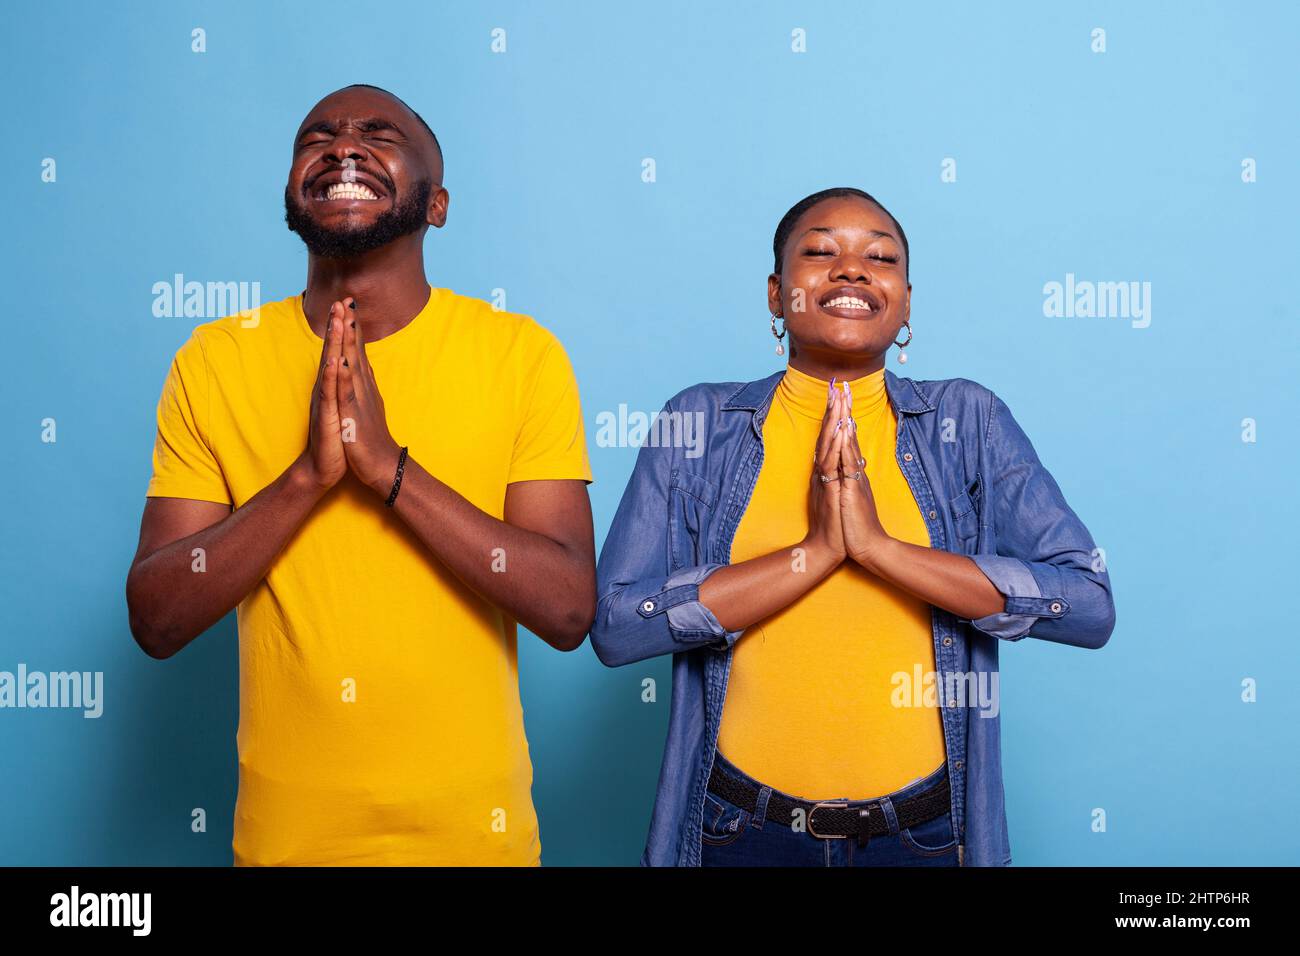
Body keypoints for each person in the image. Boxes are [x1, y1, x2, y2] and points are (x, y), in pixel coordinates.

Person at [126, 85, 596, 866]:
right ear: (290, 193)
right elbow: (158, 619)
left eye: (377, 135)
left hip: (477, 844)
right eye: (319, 137)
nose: (343, 147)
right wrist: (309, 477)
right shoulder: (214, 361)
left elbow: (568, 608)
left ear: (436, 204)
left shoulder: (521, 356)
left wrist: (389, 471)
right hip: (286, 846)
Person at [590, 187, 1116, 866]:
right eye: (819, 252)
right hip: (739, 832)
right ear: (778, 296)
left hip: (924, 839)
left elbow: (1088, 606)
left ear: (904, 303)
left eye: (880, 257)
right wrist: (814, 553)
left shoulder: (970, 423)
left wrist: (879, 549)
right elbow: (616, 625)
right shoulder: (698, 427)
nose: (851, 269)